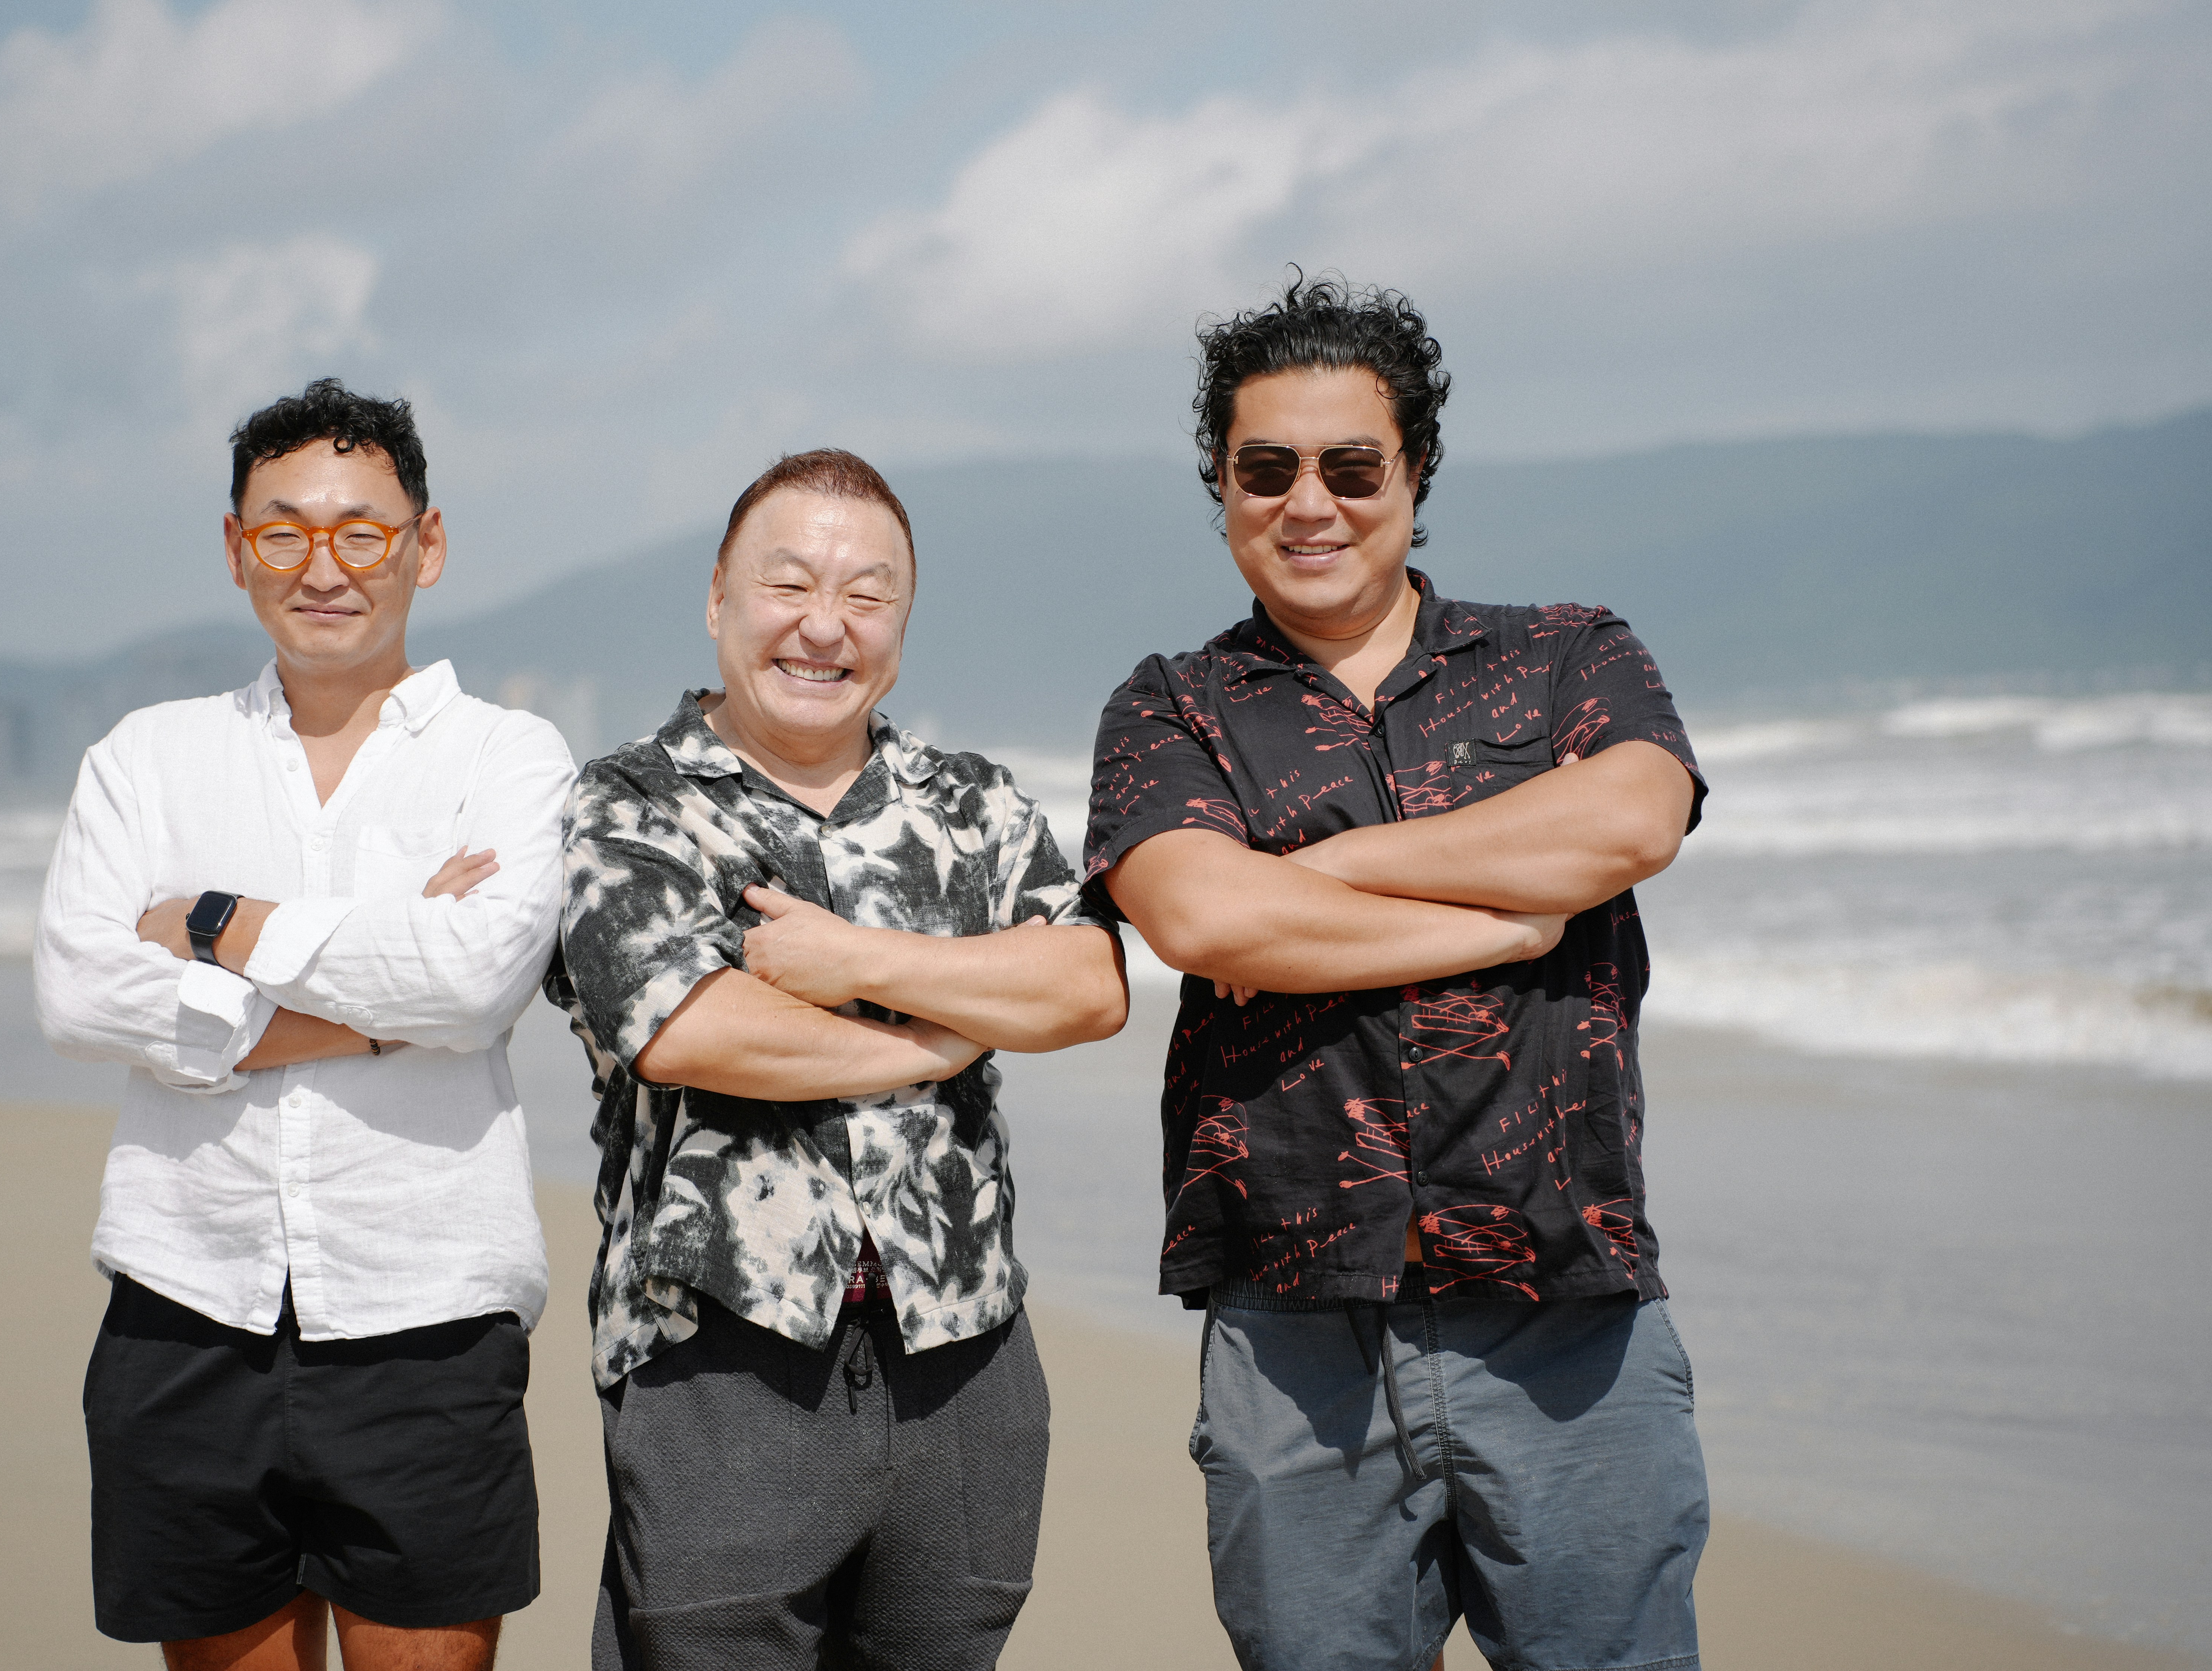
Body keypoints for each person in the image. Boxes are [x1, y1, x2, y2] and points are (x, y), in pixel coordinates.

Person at [1084, 278, 1712, 1671]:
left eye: (1351, 466)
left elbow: (1633, 822)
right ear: (1225, 489)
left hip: (1569, 1319)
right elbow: (1203, 921)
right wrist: (1506, 918)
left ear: (1414, 474)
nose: (1311, 503)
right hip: (1293, 1335)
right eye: (1268, 469)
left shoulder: (1566, 656)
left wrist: (1326, 869)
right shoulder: (1169, 706)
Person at [545, 448, 1130, 1671]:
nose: (826, 626)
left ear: (903, 626)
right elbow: (688, 1029)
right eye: (791, 585)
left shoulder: (972, 804)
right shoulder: (634, 805)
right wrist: (953, 1027)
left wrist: (854, 959)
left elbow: (1084, 985)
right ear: (719, 601)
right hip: (723, 1360)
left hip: (966, 1361)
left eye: (868, 596)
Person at [34, 378, 575, 1671]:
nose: (321, 566)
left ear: (424, 547)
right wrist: (378, 1004)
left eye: (361, 531)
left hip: (427, 1312)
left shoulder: (510, 756)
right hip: (186, 1303)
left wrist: (214, 920)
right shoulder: (146, 758)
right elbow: (79, 991)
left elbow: (475, 983)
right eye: (283, 531)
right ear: (237, 551)